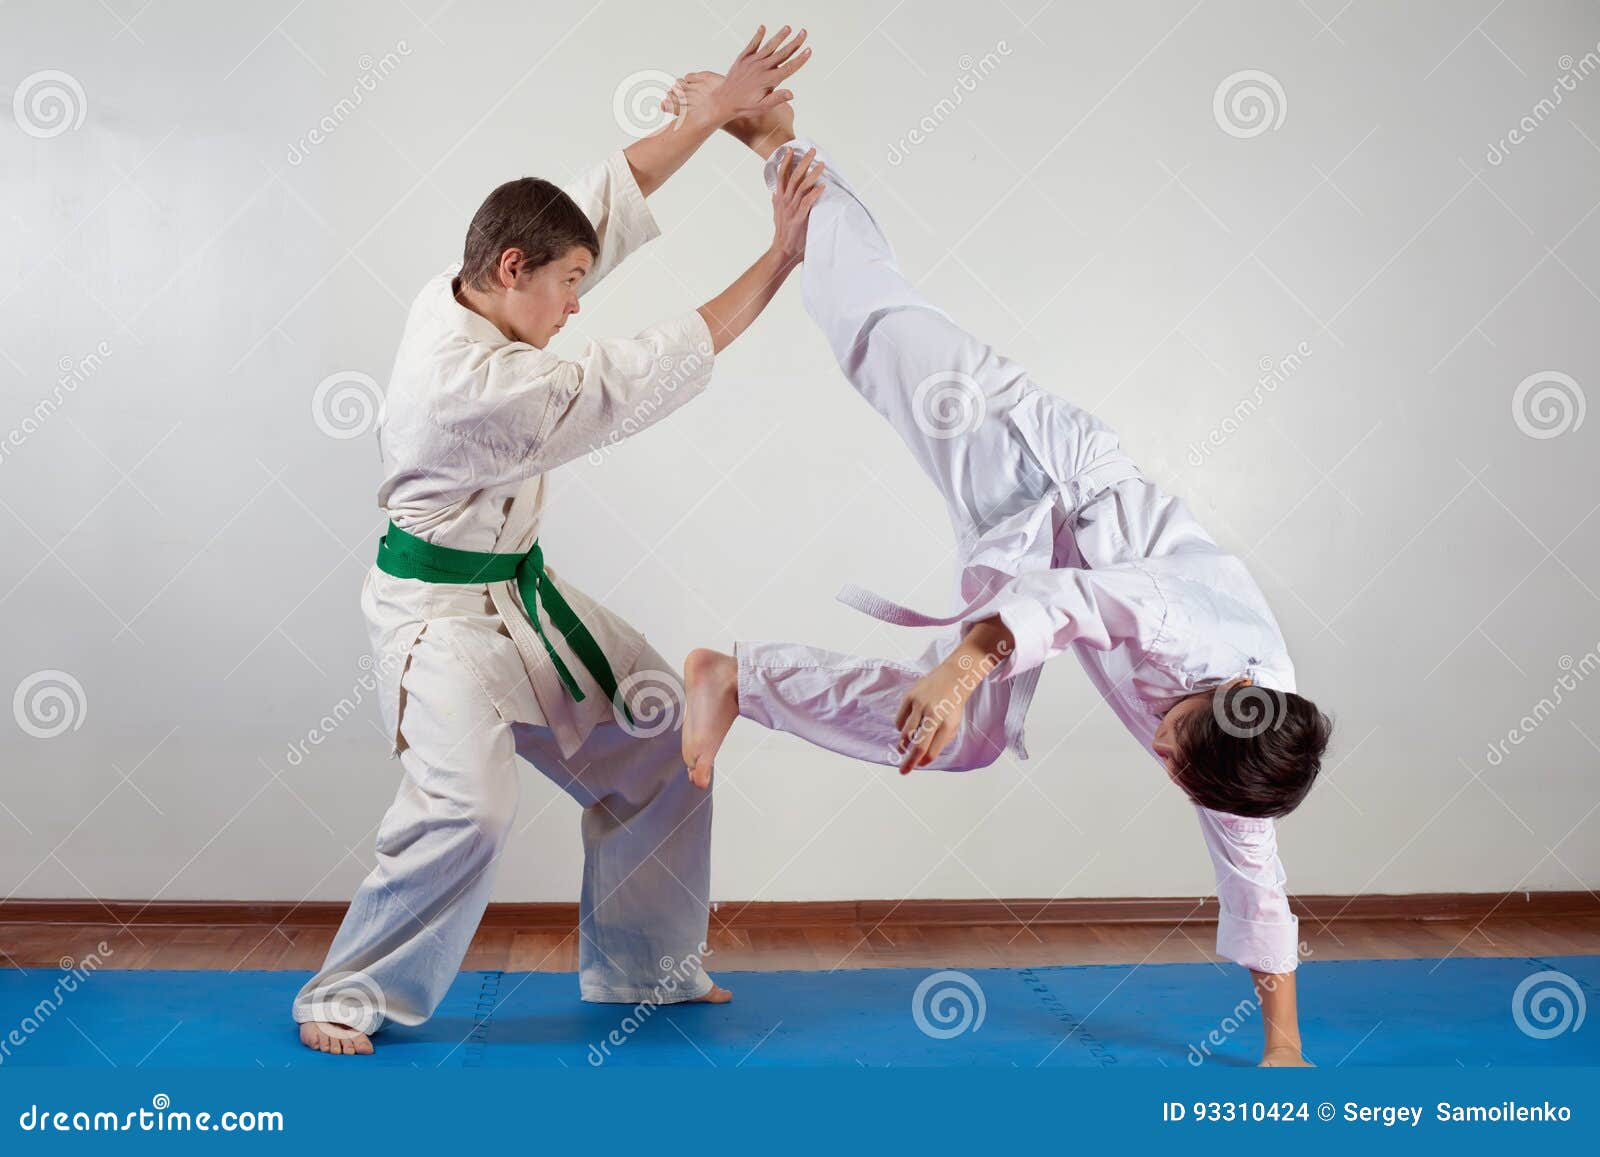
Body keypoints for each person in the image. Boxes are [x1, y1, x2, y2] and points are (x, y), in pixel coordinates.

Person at [667, 80, 1333, 1068]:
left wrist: (1282, 1045)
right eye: (1174, 742)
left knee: (960, 741)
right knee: (872, 326)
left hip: (1019, 549)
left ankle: (736, 677)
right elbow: (1073, 600)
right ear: (1226, 692)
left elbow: (1254, 878)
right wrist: (958, 668)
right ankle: (776, 142)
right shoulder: (1197, 630)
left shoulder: (1238, 757)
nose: (1157, 750)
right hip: (1040, 470)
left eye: (1173, 767)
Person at [291, 27, 825, 1056]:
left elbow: (599, 202)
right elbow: (641, 370)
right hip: (438, 626)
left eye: (580, 279)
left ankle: (644, 965)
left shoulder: (463, 294)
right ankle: (345, 990)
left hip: (519, 598)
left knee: (669, 742)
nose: (578, 301)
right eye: (568, 282)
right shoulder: (478, 389)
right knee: (467, 814)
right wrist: (780, 256)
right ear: (510, 267)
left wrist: (707, 118)